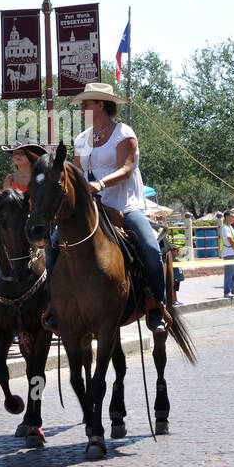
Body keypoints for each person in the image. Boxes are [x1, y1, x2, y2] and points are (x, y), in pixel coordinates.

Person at [65, 81, 169, 333]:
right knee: (54, 245)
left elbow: (126, 168)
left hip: (125, 205)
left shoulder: (124, 133)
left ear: (100, 105)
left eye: (85, 104)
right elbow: (78, 172)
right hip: (92, 208)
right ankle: (55, 307)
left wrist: (100, 183)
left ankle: (156, 305)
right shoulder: (81, 139)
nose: (81, 109)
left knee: (151, 248)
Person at [220, 209, 234, 298]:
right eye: (232, 216)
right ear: (226, 217)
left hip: (233, 252)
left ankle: (233, 290)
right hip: (229, 252)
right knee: (229, 273)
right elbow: (230, 240)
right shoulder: (225, 228)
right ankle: (227, 292)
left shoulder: (231, 227)